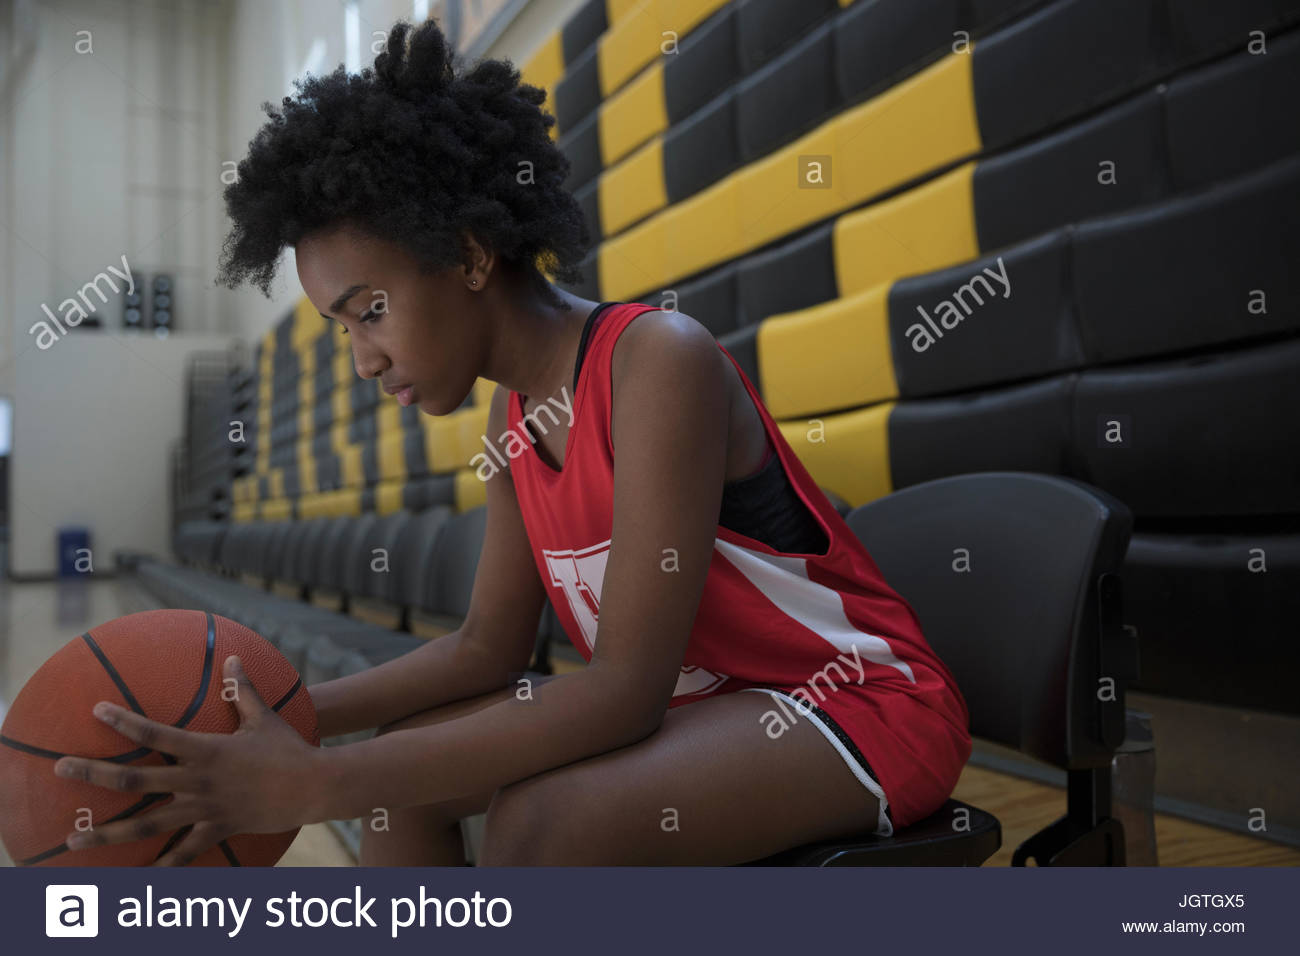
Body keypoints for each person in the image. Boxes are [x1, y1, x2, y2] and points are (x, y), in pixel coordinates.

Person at [54, 18, 971, 866]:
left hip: (852, 703)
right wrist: (283, 719)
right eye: (342, 330)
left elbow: (624, 691)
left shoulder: (658, 364)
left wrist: (317, 781)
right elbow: (484, 651)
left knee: (544, 825)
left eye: (370, 311)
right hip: (717, 706)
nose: (364, 360)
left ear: (469, 254)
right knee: (402, 791)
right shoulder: (514, 424)